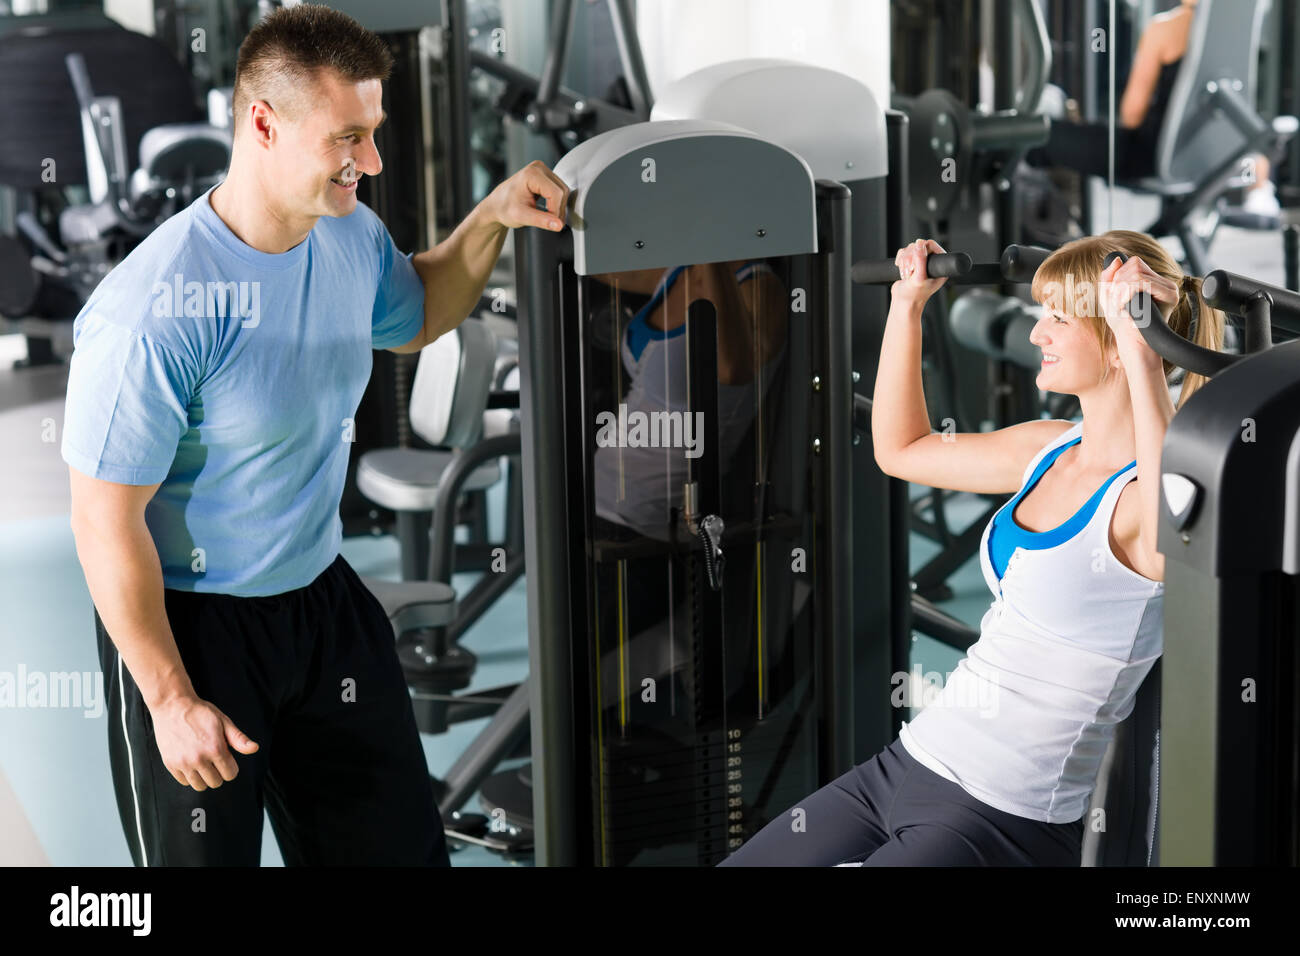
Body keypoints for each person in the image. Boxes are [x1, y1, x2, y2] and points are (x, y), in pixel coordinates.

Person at [62, 4, 567, 866]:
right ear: (263, 122)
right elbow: (104, 522)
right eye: (349, 138)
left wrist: (491, 219)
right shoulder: (154, 308)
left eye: (373, 134)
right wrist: (172, 699)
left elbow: (415, 316)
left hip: (321, 603)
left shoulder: (348, 236)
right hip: (191, 627)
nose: (370, 162)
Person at [720, 231, 1224, 866]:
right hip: (905, 765)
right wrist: (907, 307)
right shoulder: (1049, 445)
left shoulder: (1156, 494)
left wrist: (1144, 350)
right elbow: (901, 449)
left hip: (1001, 817)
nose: (1038, 334)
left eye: (1059, 318)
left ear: (1119, 344)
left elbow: (1167, 535)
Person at [1026, 0, 1278, 215]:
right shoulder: (1238, 30)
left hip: (1147, 157)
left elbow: (1131, 116)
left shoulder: (1165, 28)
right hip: (1210, 158)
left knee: (1035, 135)